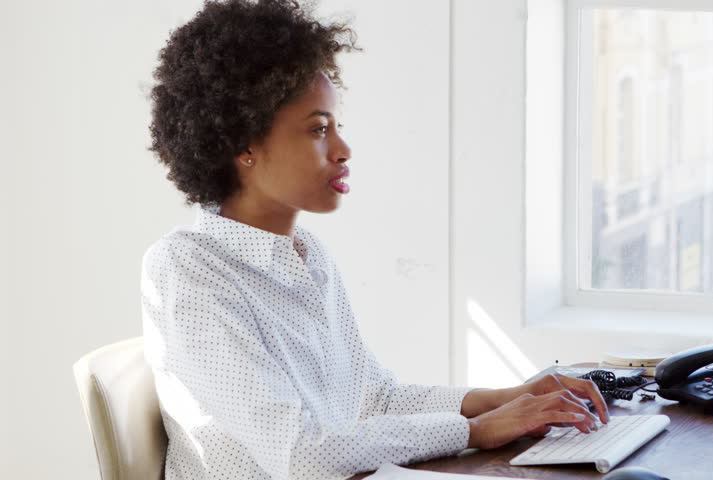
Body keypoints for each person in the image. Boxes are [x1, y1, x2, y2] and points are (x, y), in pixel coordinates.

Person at [142, 1, 609, 479]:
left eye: (337, 128)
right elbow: (301, 455)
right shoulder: (186, 269)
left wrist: (507, 400)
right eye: (318, 130)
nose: (343, 150)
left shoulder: (308, 256)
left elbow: (372, 400)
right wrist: (475, 430)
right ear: (244, 145)